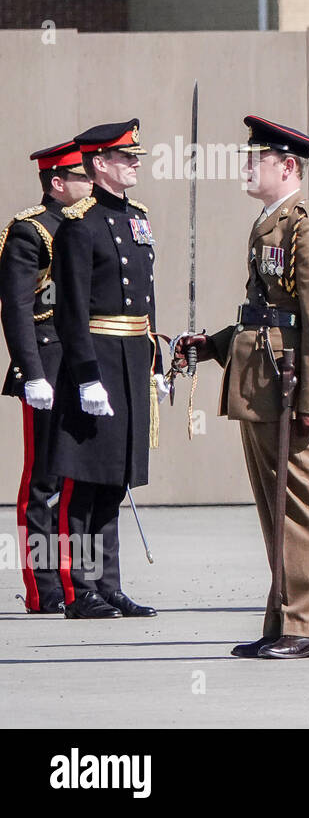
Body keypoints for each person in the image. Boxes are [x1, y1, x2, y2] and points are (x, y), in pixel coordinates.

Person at [175, 116, 309, 658]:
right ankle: (282, 618)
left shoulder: (307, 228)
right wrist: (216, 344)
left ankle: (307, 626)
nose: (246, 168)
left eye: (256, 160)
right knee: (274, 505)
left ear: (287, 166)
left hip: (291, 386)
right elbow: (264, 313)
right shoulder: (268, 224)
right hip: (261, 379)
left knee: (298, 504)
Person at [47, 120, 163, 620]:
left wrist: (155, 361)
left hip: (131, 359)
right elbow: (70, 308)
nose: (135, 164)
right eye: (126, 158)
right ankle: (78, 589)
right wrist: (87, 375)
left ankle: (107, 584)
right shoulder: (80, 224)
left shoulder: (136, 217)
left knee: (115, 482)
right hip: (96, 361)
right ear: (100, 165)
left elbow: (146, 297)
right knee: (85, 482)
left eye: (135, 157)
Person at [2, 141, 92, 613]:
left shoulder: (89, 226)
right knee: (44, 480)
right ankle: (44, 588)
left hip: (81, 364)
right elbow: (17, 308)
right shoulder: (30, 231)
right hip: (46, 364)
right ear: (58, 183)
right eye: (81, 176)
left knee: (79, 477)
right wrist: (30, 372)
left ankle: (79, 580)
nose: (90, 182)